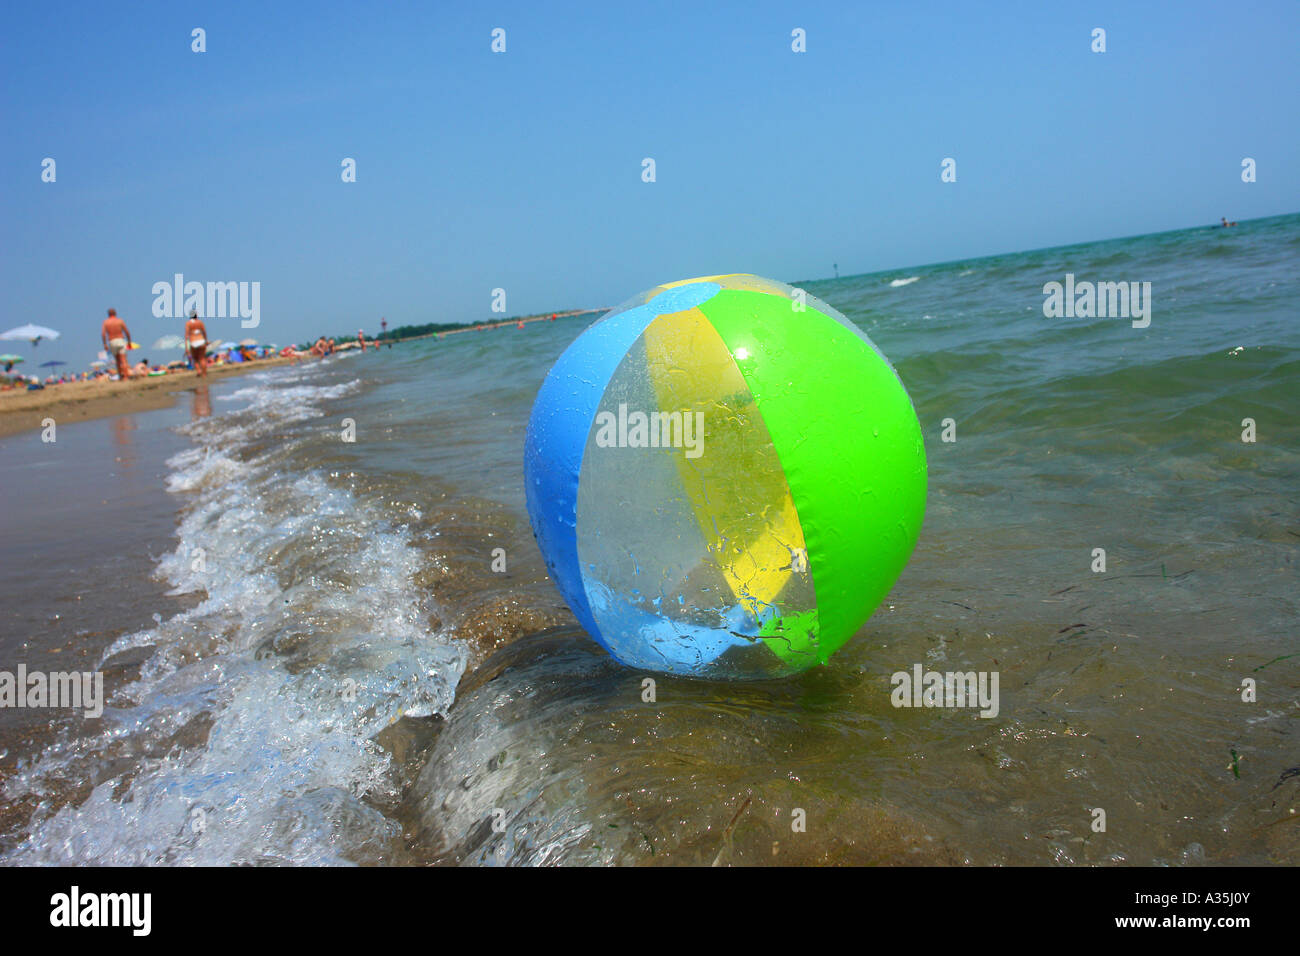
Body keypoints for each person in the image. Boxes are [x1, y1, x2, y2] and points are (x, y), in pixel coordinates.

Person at [101, 309, 133, 380]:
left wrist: (105, 344)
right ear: (115, 313)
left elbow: (103, 334)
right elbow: (127, 332)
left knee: (117, 360)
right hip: (120, 340)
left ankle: (120, 376)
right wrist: (129, 341)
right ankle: (126, 377)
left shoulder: (106, 322)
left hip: (112, 341)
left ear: (108, 314)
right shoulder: (120, 321)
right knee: (124, 360)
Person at [185, 309, 210, 377]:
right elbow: (204, 332)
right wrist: (206, 340)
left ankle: (199, 371)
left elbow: (186, 336)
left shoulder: (188, 323)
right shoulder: (200, 322)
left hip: (193, 341)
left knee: (195, 358)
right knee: (202, 358)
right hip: (201, 340)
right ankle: (204, 374)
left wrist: (186, 347)